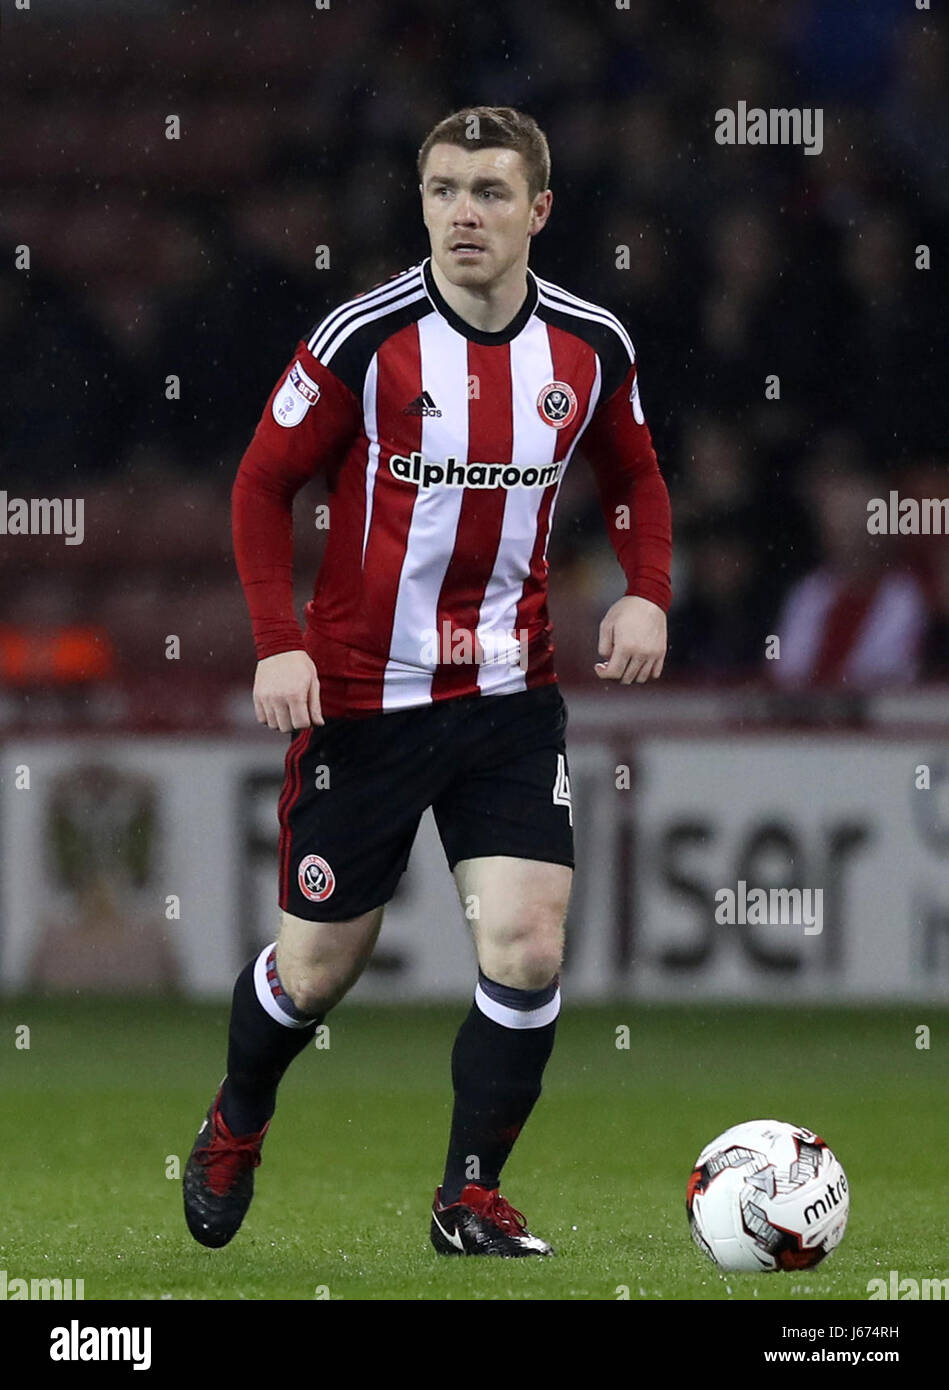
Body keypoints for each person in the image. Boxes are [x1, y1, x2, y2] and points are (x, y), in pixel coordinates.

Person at [183, 105, 672, 1257]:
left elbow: (636, 473)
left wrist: (646, 587)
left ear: (537, 212)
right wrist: (275, 639)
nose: (464, 211)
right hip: (363, 697)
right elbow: (261, 486)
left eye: (491, 192)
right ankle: (237, 1114)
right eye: (445, 189)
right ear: (421, 204)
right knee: (314, 971)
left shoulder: (590, 345)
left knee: (528, 942)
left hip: (510, 696)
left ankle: (469, 1195)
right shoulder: (364, 335)